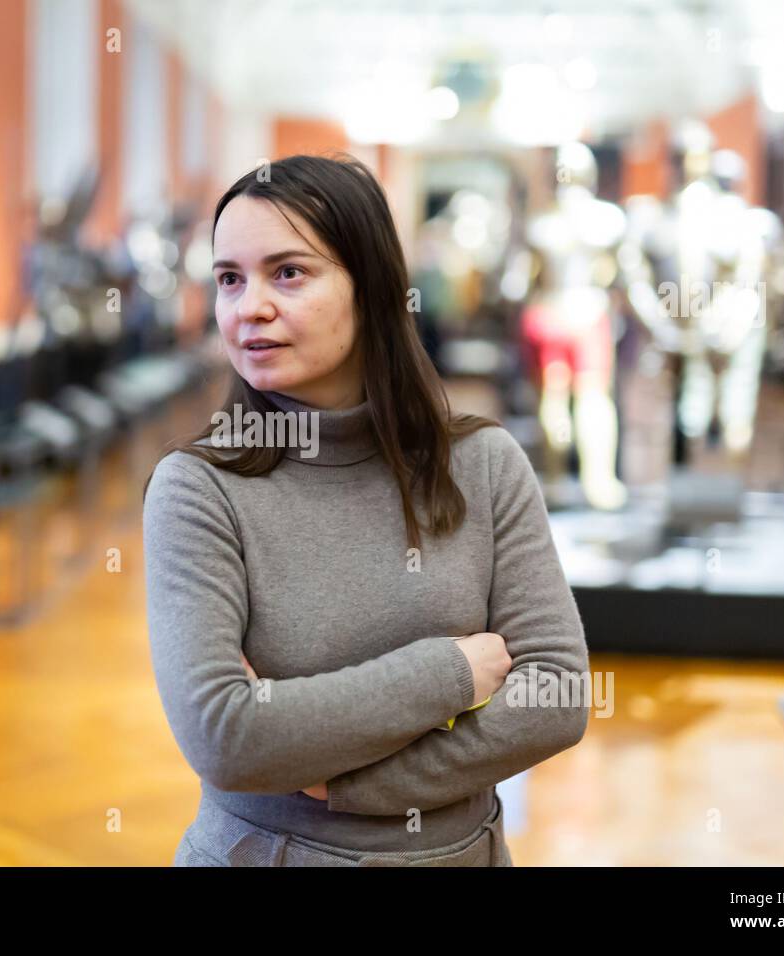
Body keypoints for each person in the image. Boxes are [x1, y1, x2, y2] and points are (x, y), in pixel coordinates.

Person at [142, 154, 589, 867]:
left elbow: (558, 696)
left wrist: (349, 781)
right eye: (230, 278)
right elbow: (226, 736)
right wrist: (451, 672)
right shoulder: (197, 488)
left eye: (288, 272)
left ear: (372, 287)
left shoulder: (482, 462)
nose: (248, 306)